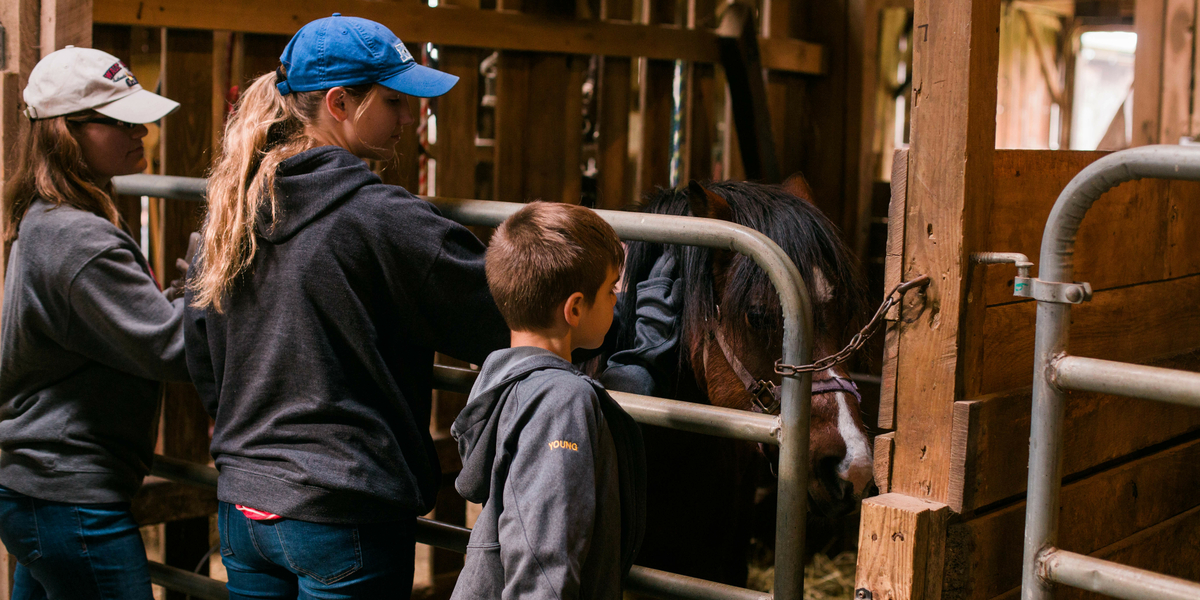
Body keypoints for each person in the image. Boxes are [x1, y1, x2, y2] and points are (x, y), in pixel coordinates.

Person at [184, 14, 509, 599]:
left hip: (245, 505)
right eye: (394, 101)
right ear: (339, 103)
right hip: (343, 510)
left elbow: (203, 350)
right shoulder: (382, 218)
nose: (410, 119)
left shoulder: (232, 211)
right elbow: (503, 315)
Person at [0, 46, 186, 599]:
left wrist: (177, 298)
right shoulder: (79, 237)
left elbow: (121, 323)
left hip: (40, 483)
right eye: (122, 121)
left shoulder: (53, 216)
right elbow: (172, 347)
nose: (142, 131)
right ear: (67, 131)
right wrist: (209, 282)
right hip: (69, 494)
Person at [451, 201, 646, 600]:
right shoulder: (562, 402)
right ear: (574, 308)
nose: (617, 299)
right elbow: (543, 563)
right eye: (611, 290)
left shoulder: (503, 379)